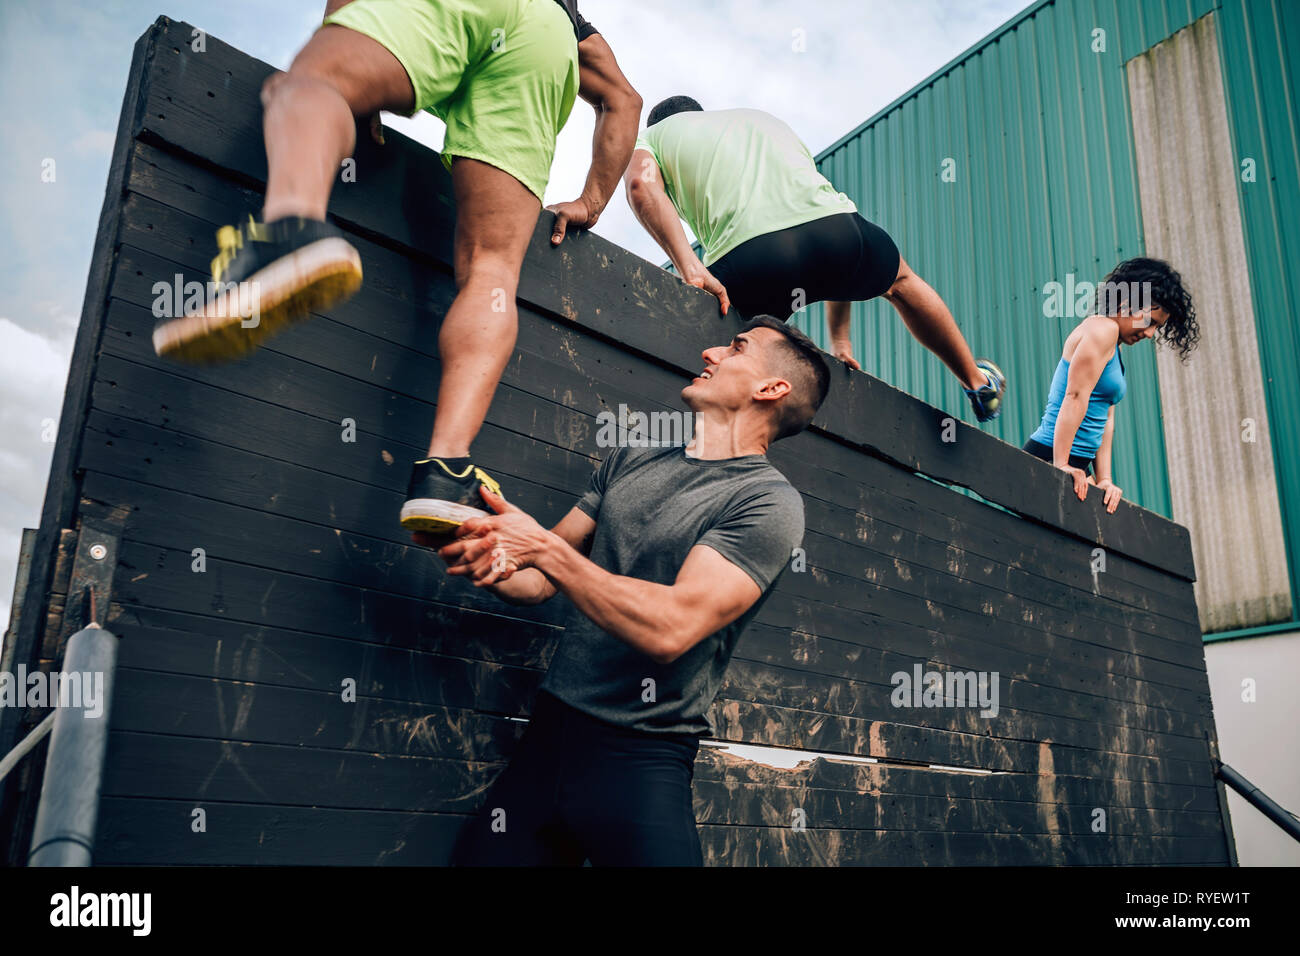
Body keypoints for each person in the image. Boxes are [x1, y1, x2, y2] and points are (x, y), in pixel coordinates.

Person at [151, 0, 642, 533]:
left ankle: (292, 229)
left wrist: (354, 77)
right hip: (547, 37)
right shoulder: (574, 22)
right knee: (492, 271)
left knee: (315, 83)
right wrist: (591, 203)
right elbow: (624, 98)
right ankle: (447, 468)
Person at [420, 316, 827, 866]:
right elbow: (539, 580)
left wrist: (542, 548)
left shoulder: (768, 504)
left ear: (771, 388)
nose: (710, 352)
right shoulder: (631, 458)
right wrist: (479, 546)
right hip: (548, 740)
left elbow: (672, 629)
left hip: (639, 757)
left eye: (735, 348)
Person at [623, 95, 1007, 422]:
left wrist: (691, 267)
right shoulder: (760, 119)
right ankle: (976, 381)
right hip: (838, 235)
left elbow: (641, 185)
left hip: (751, 260)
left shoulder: (653, 135)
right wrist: (840, 343)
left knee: (727, 351)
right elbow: (808, 224)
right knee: (901, 282)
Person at [1023, 257, 1199, 513]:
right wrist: (1061, 464)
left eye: (1157, 328)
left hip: (1076, 465)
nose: (1150, 333)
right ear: (1128, 302)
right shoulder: (1101, 331)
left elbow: (1105, 418)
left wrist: (1104, 479)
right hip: (1049, 455)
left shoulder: (1114, 345)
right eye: (1149, 322)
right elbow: (1074, 396)